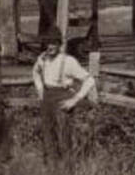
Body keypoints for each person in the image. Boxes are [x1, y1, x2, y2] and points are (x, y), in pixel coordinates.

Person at [31, 33, 96, 164]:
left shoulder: (68, 61)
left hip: (62, 99)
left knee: (64, 137)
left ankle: (67, 169)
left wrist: (75, 99)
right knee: (48, 135)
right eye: (48, 43)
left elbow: (89, 80)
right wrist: (40, 90)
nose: (50, 46)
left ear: (60, 44)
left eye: (54, 43)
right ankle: (51, 168)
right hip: (47, 99)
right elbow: (35, 72)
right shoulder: (42, 59)